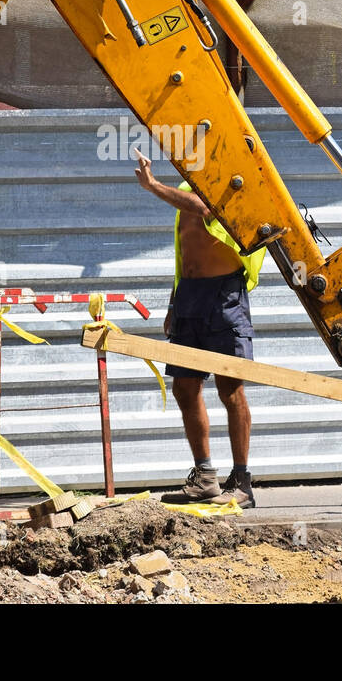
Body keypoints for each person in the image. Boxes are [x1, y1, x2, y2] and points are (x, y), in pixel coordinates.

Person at [133, 149, 265, 508]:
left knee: (230, 389)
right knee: (185, 388)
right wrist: (174, 303)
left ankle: (241, 481)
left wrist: (152, 185)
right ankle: (205, 478)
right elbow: (185, 254)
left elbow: (205, 209)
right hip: (190, 298)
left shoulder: (229, 186)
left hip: (224, 298)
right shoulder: (185, 190)